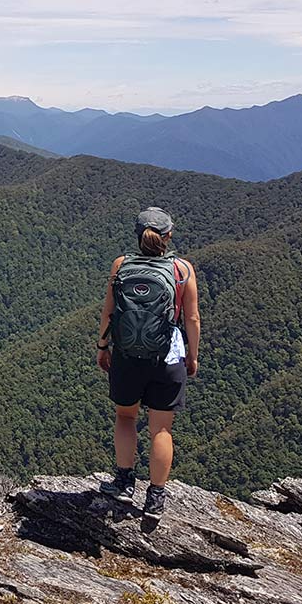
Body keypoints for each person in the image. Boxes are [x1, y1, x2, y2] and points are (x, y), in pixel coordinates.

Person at [95, 207, 200, 520]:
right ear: (168, 236)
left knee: (125, 418)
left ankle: (124, 483)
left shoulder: (121, 265)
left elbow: (108, 313)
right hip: (168, 358)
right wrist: (192, 356)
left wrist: (103, 346)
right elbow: (192, 318)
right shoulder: (182, 270)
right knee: (161, 429)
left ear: (138, 236)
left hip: (127, 356)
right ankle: (155, 498)